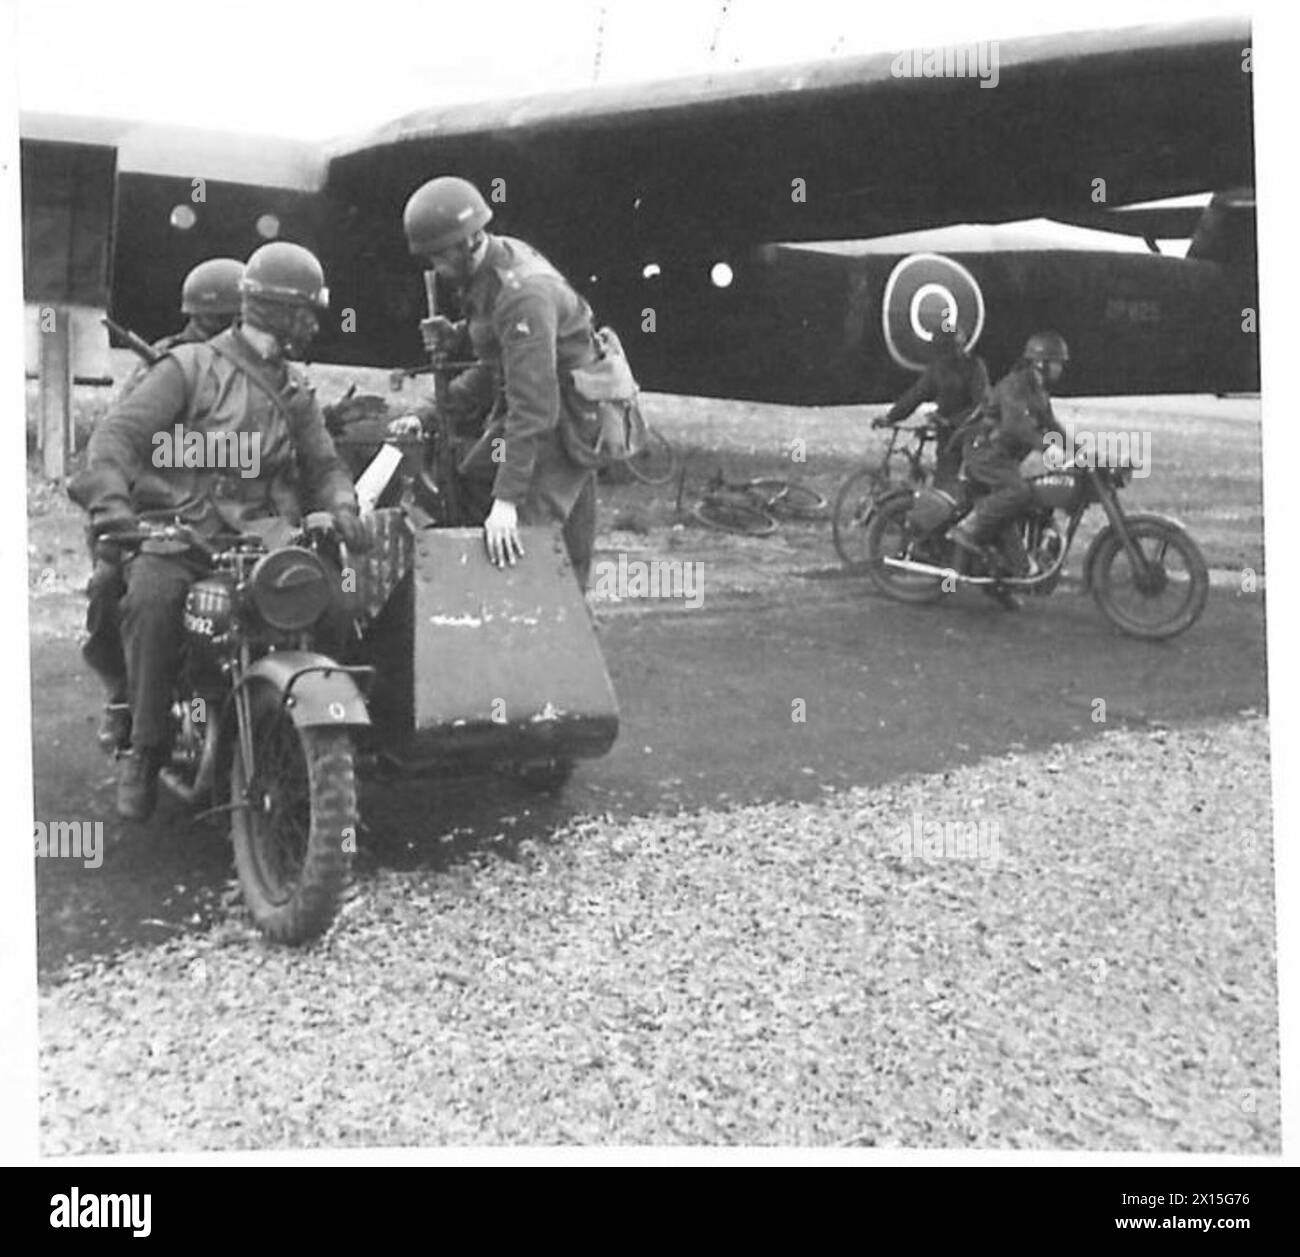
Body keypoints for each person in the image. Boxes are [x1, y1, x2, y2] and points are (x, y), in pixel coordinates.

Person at [70, 241, 366, 821]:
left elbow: (324, 464)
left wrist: (340, 505)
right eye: (306, 312)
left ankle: (327, 752)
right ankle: (146, 749)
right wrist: (113, 511)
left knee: (335, 600)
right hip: (179, 533)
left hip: (263, 536)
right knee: (152, 600)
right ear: (279, 312)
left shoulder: (296, 390)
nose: (313, 324)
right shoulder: (187, 368)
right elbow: (116, 440)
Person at [398, 175, 604, 587]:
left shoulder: (522, 294)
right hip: (539, 405)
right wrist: (457, 336)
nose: (435, 269)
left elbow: (534, 408)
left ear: (467, 242)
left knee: (520, 543)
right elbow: (500, 356)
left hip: (560, 423)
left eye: (439, 257)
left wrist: (508, 501)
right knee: (474, 471)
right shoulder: (490, 267)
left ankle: (535, 630)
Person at [85, 258, 246, 754]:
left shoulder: (250, 369)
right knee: (111, 588)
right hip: (158, 513)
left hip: (229, 518)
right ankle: (123, 700)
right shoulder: (164, 368)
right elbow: (115, 442)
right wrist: (124, 512)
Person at [946, 330, 1071, 608]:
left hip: (1002, 458)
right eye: (1056, 362)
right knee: (1018, 491)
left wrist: (1077, 450)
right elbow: (1016, 427)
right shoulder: (1013, 386)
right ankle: (968, 528)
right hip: (984, 454)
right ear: (1040, 363)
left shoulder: (1037, 390)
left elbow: (1051, 424)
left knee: (1026, 504)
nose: (1060, 368)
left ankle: (1007, 577)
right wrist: (1047, 448)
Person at [872, 325, 990, 488]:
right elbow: (915, 396)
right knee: (943, 483)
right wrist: (891, 417)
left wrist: (952, 421)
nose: (944, 354)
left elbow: (982, 405)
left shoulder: (975, 367)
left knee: (974, 482)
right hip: (948, 436)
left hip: (973, 435)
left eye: (948, 348)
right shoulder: (938, 369)